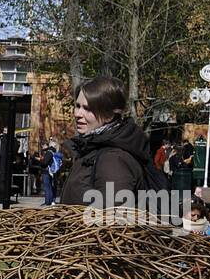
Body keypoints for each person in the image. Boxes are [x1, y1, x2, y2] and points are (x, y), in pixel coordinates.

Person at [58, 75, 153, 207]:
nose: (78, 114)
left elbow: (111, 220)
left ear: (109, 115)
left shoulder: (114, 159)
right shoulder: (92, 150)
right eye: (78, 106)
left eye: (87, 108)